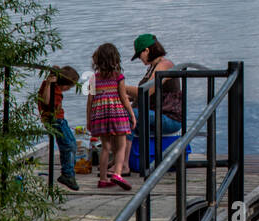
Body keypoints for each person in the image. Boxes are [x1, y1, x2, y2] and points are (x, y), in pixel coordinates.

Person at [86, 43, 133, 190]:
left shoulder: (94, 78)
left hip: (99, 115)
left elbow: (90, 101)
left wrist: (89, 120)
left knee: (105, 147)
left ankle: (103, 179)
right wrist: (131, 114)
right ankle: (117, 174)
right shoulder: (118, 77)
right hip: (116, 113)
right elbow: (124, 98)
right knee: (121, 146)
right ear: (115, 59)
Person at [125, 33, 184, 139]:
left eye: (139, 55)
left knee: (129, 114)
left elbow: (145, 91)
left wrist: (121, 87)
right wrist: (124, 97)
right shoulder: (153, 67)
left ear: (147, 50)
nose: (139, 58)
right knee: (118, 114)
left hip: (169, 118)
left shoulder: (165, 65)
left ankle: (124, 154)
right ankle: (123, 151)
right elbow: (147, 94)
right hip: (155, 114)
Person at [36, 66, 80, 191]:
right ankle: (67, 174)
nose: (68, 89)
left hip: (59, 119)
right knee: (68, 145)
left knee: (72, 144)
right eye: (69, 87)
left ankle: (69, 173)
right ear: (65, 84)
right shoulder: (50, 87)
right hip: (54, 120)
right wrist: (49, 83)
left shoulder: (55, 87)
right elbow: (45, 100)